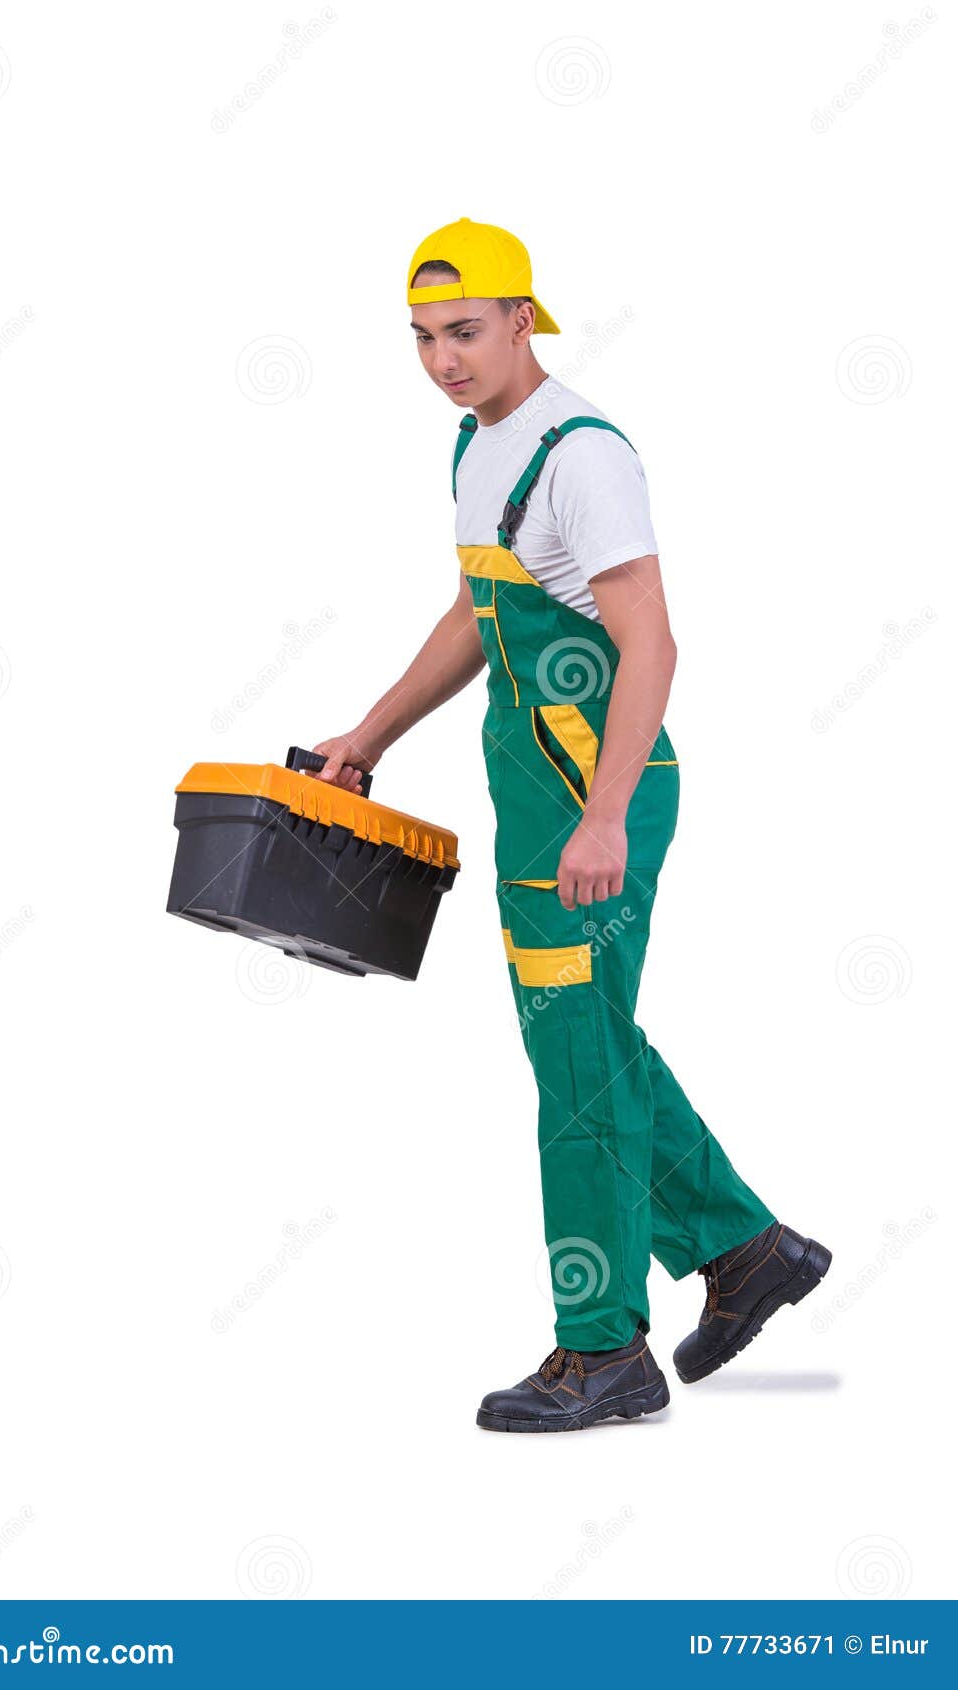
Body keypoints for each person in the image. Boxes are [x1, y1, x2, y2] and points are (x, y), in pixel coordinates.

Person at [311, 216, 831, 1433]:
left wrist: (603, 819)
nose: (444, 358)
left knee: (576, 1068)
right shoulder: (479, 447)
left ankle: (602, 1349)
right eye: (424, 337)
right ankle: (744, 1248)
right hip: (536, 793)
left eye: (468, 331)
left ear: (525, 318)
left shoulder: (581, 454)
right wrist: (369, 735)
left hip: (597, 791)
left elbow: (650, 638)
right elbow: (470, 616)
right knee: (582, 1039)